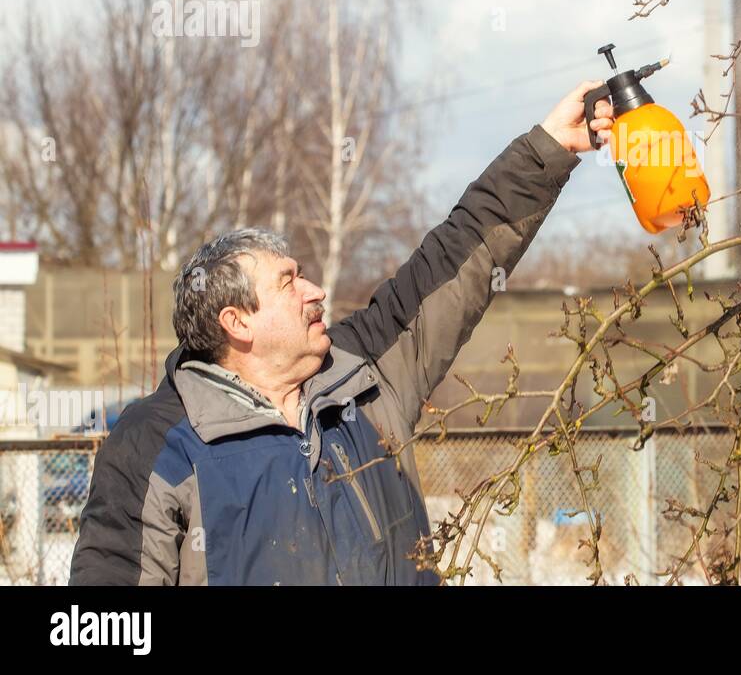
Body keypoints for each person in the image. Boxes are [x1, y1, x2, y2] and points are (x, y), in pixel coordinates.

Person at [69, 83, 614, 585]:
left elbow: (456, 257)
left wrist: (547, 150)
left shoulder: (367, 373)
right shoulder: (157, 441)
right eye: (289, 282)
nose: (316, 290)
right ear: (237, 323)